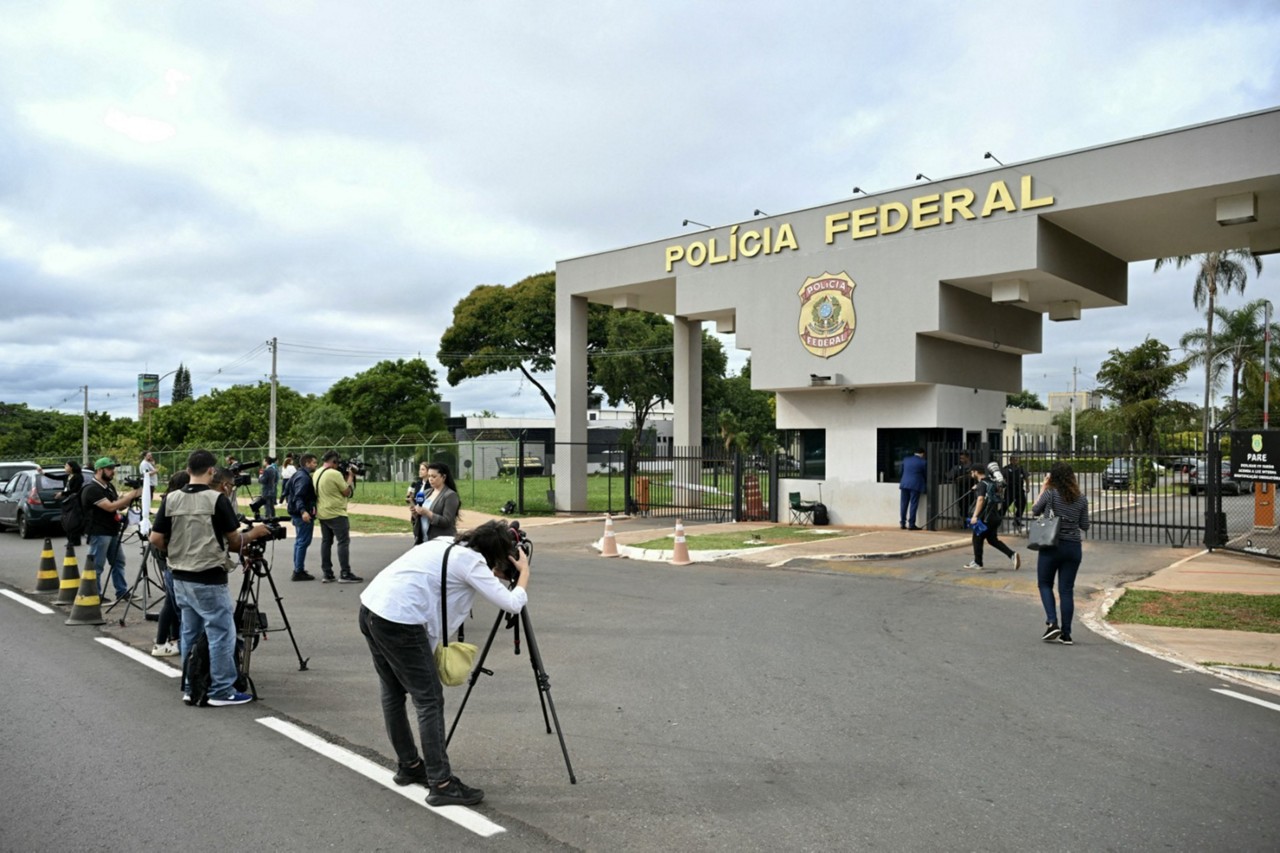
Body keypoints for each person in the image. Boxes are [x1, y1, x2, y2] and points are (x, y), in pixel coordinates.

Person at [358, 520, 530, 807]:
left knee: (393, 692)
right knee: (429, 700)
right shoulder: (472, 563)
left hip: (371, 610)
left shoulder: (447, 544)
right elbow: (512, 603)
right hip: (400, 621)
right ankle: (442, 783)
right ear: (495, 553)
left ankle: (409, 765)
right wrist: (523, 572)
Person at [149, 449, 272, 706]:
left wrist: (178, 552)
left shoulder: (171, 499)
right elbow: (236, 540)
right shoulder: (216, 500)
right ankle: (221, 690)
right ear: (211, 471)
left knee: (190, 631)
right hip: (208, 576)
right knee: (221, 633)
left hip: (180, 575)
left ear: (188, 468)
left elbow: (157, 539)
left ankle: (190, 685)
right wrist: (256, 532)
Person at [1031, 462, 1091, 645]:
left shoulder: (1050, 494)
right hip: (1073, 547)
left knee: (1044, 584)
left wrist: (1044, 486)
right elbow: (1085, 525)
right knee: (1066, 590)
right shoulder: (1081, 499)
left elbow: (1035, 510)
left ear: (1053, 478)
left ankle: (1052, 622)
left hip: (1052, 545)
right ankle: (1067, 634)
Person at [82, 457, 142, 602]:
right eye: (109, 469)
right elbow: (110, 507)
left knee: (118, 562)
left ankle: (121, 591)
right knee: (97, 565)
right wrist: (131, 495)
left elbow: (117, 505)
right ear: (99, 470)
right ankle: (95, 595)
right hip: (99, 532)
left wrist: (131, 498)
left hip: (111, 530)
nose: (112, 472)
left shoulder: (108, 487)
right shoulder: (92, 489)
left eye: (113, 469)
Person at [150, 471, 190, 657]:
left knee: (172, 601)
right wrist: (170, 550)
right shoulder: (174, 502)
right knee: (173, 602)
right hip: (170, 557)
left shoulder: (170, 499)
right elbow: (157, 537)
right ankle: (162, 642)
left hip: (168, 555)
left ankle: (171, 640)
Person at [314, 450, 362, 583]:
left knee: (326, 542)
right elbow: (346, 491)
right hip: (336, 513)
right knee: (343, 542)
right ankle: (345, 573)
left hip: (322, 512)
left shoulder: (317, 472)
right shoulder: (334, 474)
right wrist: (351, 476)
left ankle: (327, 573)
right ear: (334, 461)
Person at [963, 464, 1020, 571]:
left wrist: (975, 516)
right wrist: (977, 487)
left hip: (985, 518)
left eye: (971, 472)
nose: (971, 474)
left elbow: (980, 500)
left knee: (976, 538)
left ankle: (977, 562)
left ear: (975, 472)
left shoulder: (981, 485)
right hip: (994, 517)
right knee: (992, 540)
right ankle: (1012, 554)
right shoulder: (991, 482)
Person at [284, 453, 320, 581]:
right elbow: (299, 496)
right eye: (314, 463)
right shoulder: (304, 478)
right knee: (303, 541)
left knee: (300, 541)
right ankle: (298, 571)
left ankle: (298, 568)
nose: (316, 465)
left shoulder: (297, 474)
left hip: (295, 512)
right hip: (301, 514)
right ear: (307, 463)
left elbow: (287, 488)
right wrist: (303, 511)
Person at [412, 461, 460, 541]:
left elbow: (447, 522)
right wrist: (416, 513)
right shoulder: (426, 492)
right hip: (423, 540)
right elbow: (421, 517)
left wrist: (427, 513)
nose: (430, 479)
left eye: (434, 476)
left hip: (441, 541)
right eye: (429, 476)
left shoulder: (450, 495)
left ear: (444, 477)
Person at [56, 460, 86, 547]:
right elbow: (56, 478)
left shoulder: (78, 477)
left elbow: (75, 490)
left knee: (72, 520)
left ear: (71, 467)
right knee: (66, 520)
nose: (65, 468)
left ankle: (74, 540)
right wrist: (43, 473)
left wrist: (62, 493)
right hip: (68, 501)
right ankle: (71, 540)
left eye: (66, 466)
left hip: (75, 501)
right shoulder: (68, 476)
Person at [898, 448, 927, 530]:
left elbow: (901, 471)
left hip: (904, 484)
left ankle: (902, 523)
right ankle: (911, 524)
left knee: (903, 504)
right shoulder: (923, 462)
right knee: (913, 504)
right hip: (915, 485)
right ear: (922, 454)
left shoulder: (906, 459)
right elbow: (926, 475)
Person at [406, 462, 430, 545]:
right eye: (420, 469)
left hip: (426, 512)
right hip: (416, 513)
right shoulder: (417, 484)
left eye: (423, 469)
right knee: (417, 534)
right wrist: (410, 499)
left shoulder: (431, 485)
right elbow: (413, 497)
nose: (420, 471)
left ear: (428, 471)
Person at [1002, 455, 1030, 522]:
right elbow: (1002, 479)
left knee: (1022, 504)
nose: (1016, 461)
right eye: (1015, 460)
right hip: (1009, 490)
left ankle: (1017, 519)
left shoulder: (1021, 468)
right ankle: (998, 518)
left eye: (1017, 459)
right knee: (1005, 505)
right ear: (1011, 460)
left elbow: (1026, 478)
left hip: (1019, 490)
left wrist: (1027, 487)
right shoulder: (1006, 468)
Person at [949, 451, 975, 522]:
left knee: (971, 506)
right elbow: (950, 476)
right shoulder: (958, 467)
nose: (961, 460)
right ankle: (965, 522)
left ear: (968, 457)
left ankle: (970, 521)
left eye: (963, 458)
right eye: (960, 458)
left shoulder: (973, 466)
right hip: (961, 490)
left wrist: (962, 478)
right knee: (963, 507)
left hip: (972, 489)